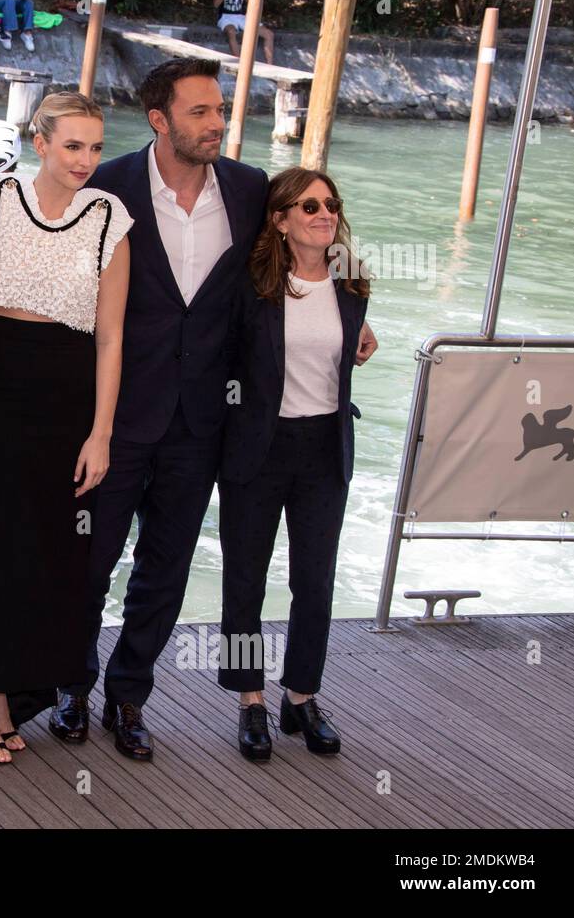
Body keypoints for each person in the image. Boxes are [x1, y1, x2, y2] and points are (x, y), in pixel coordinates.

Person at [51, 58, 377, 762]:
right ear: (159, 120)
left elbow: (308, 243)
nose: (217, 122)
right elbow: (69, 294)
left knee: (165, 570)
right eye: (199, 111)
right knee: (89, 561)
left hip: (206, 424)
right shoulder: (107, 187)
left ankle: (127, 697)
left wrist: (355, 317)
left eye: (220, 109)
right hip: (113, 418)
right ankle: (70, 688)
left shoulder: (249, 187)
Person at [0, 93, 132, 764]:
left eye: (96, 147)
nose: (86, 160)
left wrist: (101, 434)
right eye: (73, 146)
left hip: (70, 398)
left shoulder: (110, 217)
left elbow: (112, 337)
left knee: (49, 554)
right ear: (41, 142)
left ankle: (6, 691)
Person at [219, 167, 369, 762]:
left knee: (315, 583)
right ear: (279, 221)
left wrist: (362, 337)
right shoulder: (253, 282)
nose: (323, 214)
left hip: (323, 451)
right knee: (244, 582)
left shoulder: (352, 281)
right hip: (258, 448)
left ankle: (301, 697)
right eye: (307, 206)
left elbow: (346, 342)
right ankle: (250, 700)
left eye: (330, 204)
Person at [214, 0, 275, 64]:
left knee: (269, 34)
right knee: (231, 32)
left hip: (242, 17)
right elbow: (216, 4)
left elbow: (252, 3)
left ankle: (270, 67)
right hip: (225, 16)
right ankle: (240, 67)